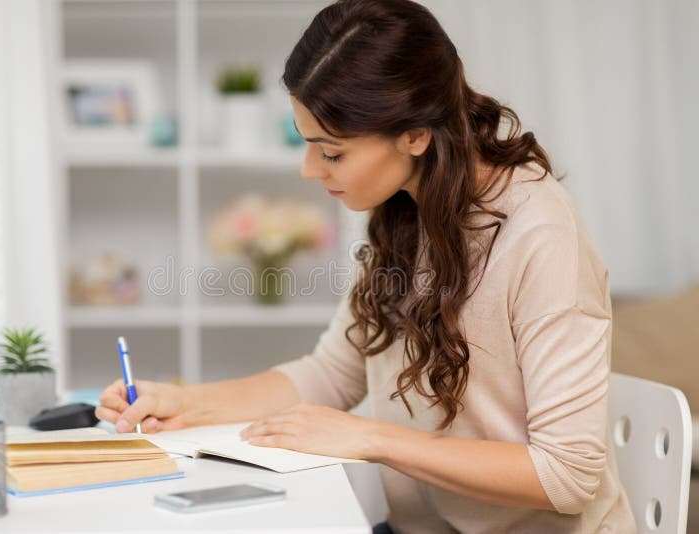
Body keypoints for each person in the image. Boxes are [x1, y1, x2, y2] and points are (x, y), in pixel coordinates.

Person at [96, 0, 637, 532]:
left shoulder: (541, 236)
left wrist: (371, 437)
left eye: (330, 153)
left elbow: (566, 476)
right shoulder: (408, 209)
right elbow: (330, 374)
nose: (310, 170)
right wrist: (187, 402)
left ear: (415, 135)